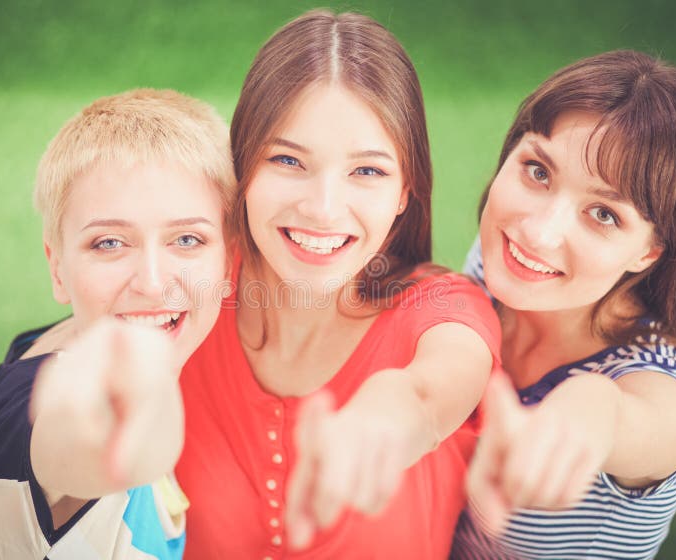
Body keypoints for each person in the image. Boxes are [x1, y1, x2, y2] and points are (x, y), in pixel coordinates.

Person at [174, 9, 501, 559]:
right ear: (242, 166)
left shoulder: (445, 308)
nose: (323, 209)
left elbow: (427, 391)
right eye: (287, 160)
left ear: (405, 191)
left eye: (367, 171)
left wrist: (377, 423)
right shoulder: (192, 282)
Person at [0, 88, 235, 559]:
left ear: (229, 262)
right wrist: (138, 416)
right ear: (57, 268)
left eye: (187, 239)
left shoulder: (69, 333)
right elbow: (91, 446)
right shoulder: (49, 423)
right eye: (108, 243)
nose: (150, 282)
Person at [450, 50, 676, 560]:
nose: (538, 232)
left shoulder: (670, 382)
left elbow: (647, 421)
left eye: (603, 214)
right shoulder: (491, 270)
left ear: (649, 251)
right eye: (537, 171)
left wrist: (591, 410)